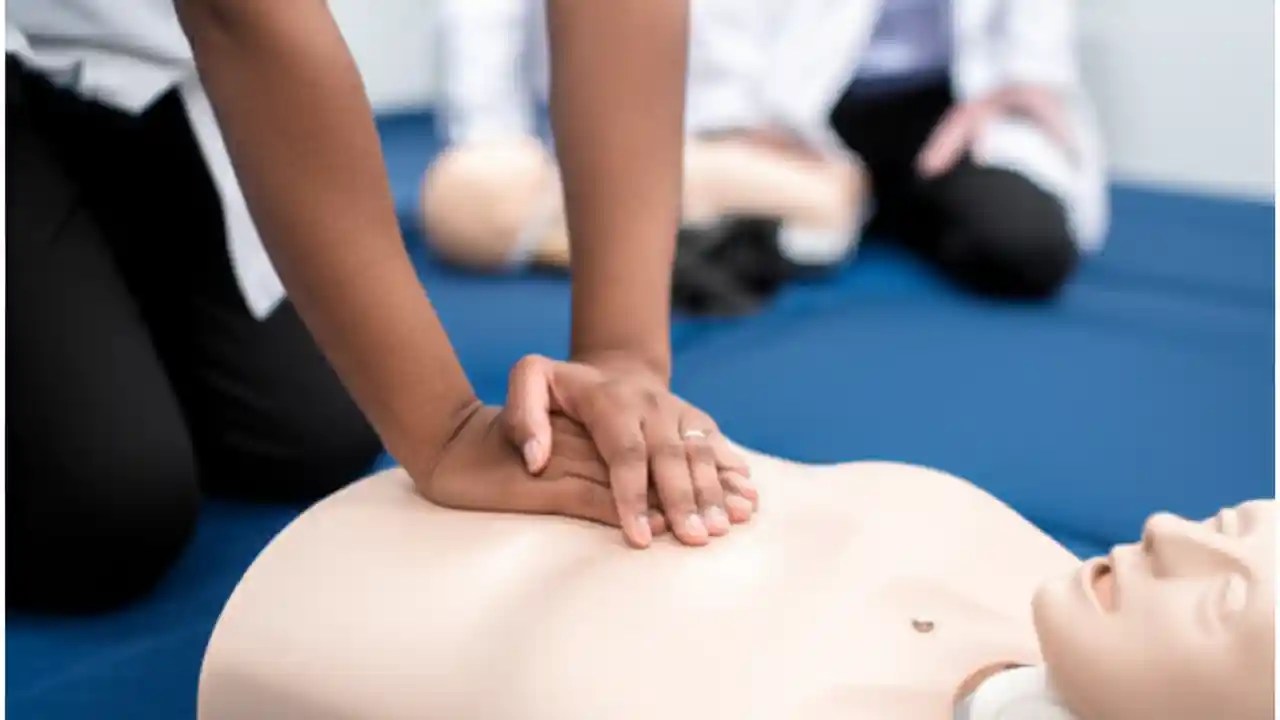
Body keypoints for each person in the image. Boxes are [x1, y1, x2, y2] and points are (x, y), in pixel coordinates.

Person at [6, 0, 753, 613]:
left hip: (127, 43)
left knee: (308, 435)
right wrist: (444, 433)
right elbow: (239, 12)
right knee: (101, 511)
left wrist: (624, 355)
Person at [198, 422, 1274, 719]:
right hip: (437, 491)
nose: (1168, 530)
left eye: (1220, 597)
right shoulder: (1001, 560)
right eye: (1230, 518)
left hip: (319, 622)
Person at [422, 0, 869, 305]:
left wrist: (773, 132)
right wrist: (498, 139)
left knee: (831, 203)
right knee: (464, 195)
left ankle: (647, 228)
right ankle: (672, 228)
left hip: (738, 149)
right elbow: (480, 27)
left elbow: (811, 50)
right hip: (573, 153)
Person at [740, 0, 1109, 298]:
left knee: (1027, 245)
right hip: (796, 101)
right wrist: (734, 114)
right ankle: (865, 204)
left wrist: (1023, 76)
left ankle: (887, 204)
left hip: (948, 106)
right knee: (734, 251)